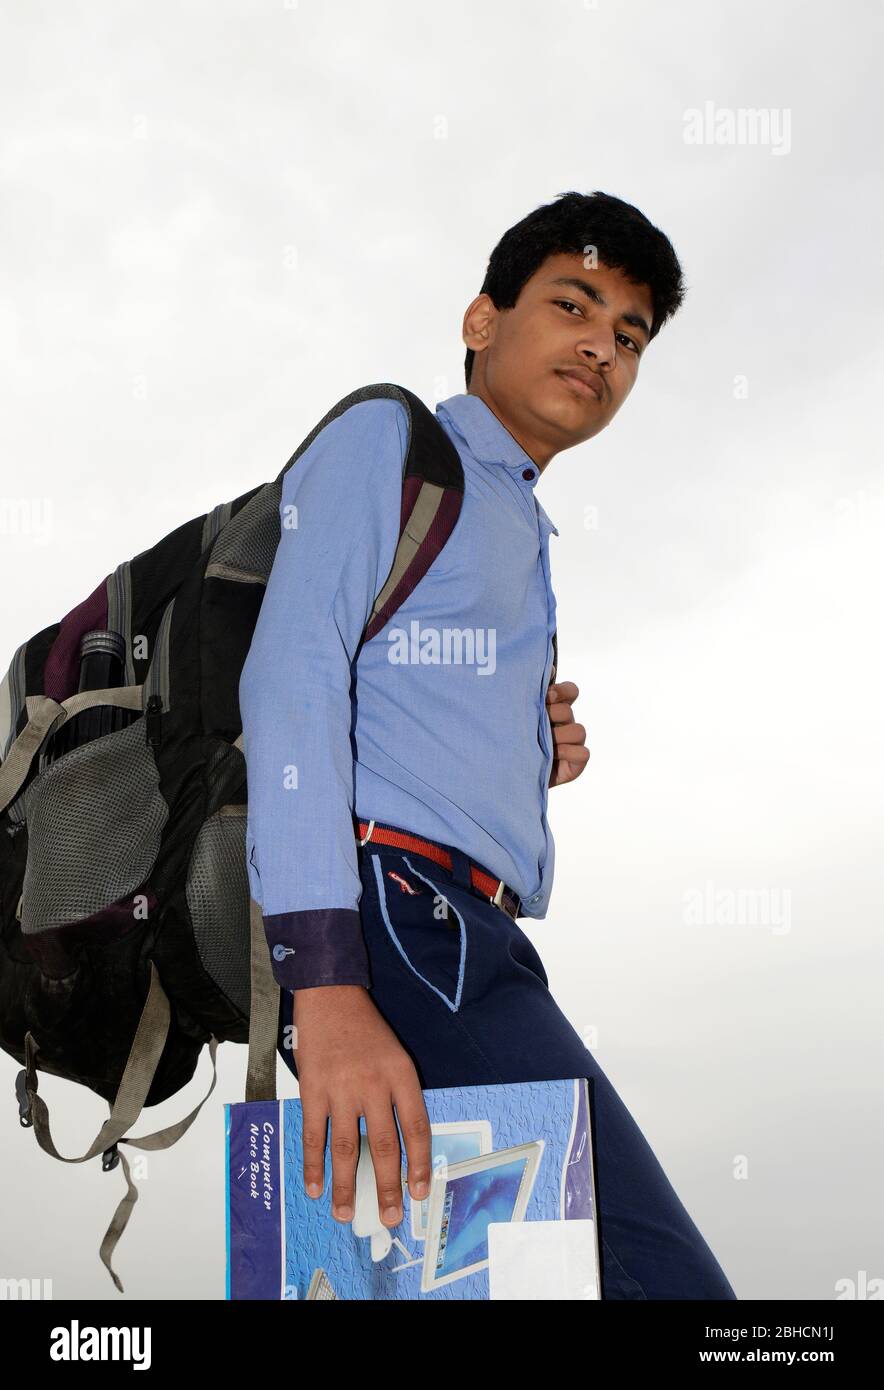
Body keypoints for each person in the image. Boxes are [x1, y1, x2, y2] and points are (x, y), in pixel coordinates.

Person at [238, 190, 737, 1299]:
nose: (601, 346)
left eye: (629, 335)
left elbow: (383, 679)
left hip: (464, 925)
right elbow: (290, 679)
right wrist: (324, 986)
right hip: (398, 918)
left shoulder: (518, 519)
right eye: (573, 304)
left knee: (453, 1288)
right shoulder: (394, 439)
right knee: (667, 1287)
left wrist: (523, 740)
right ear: (481, 321)